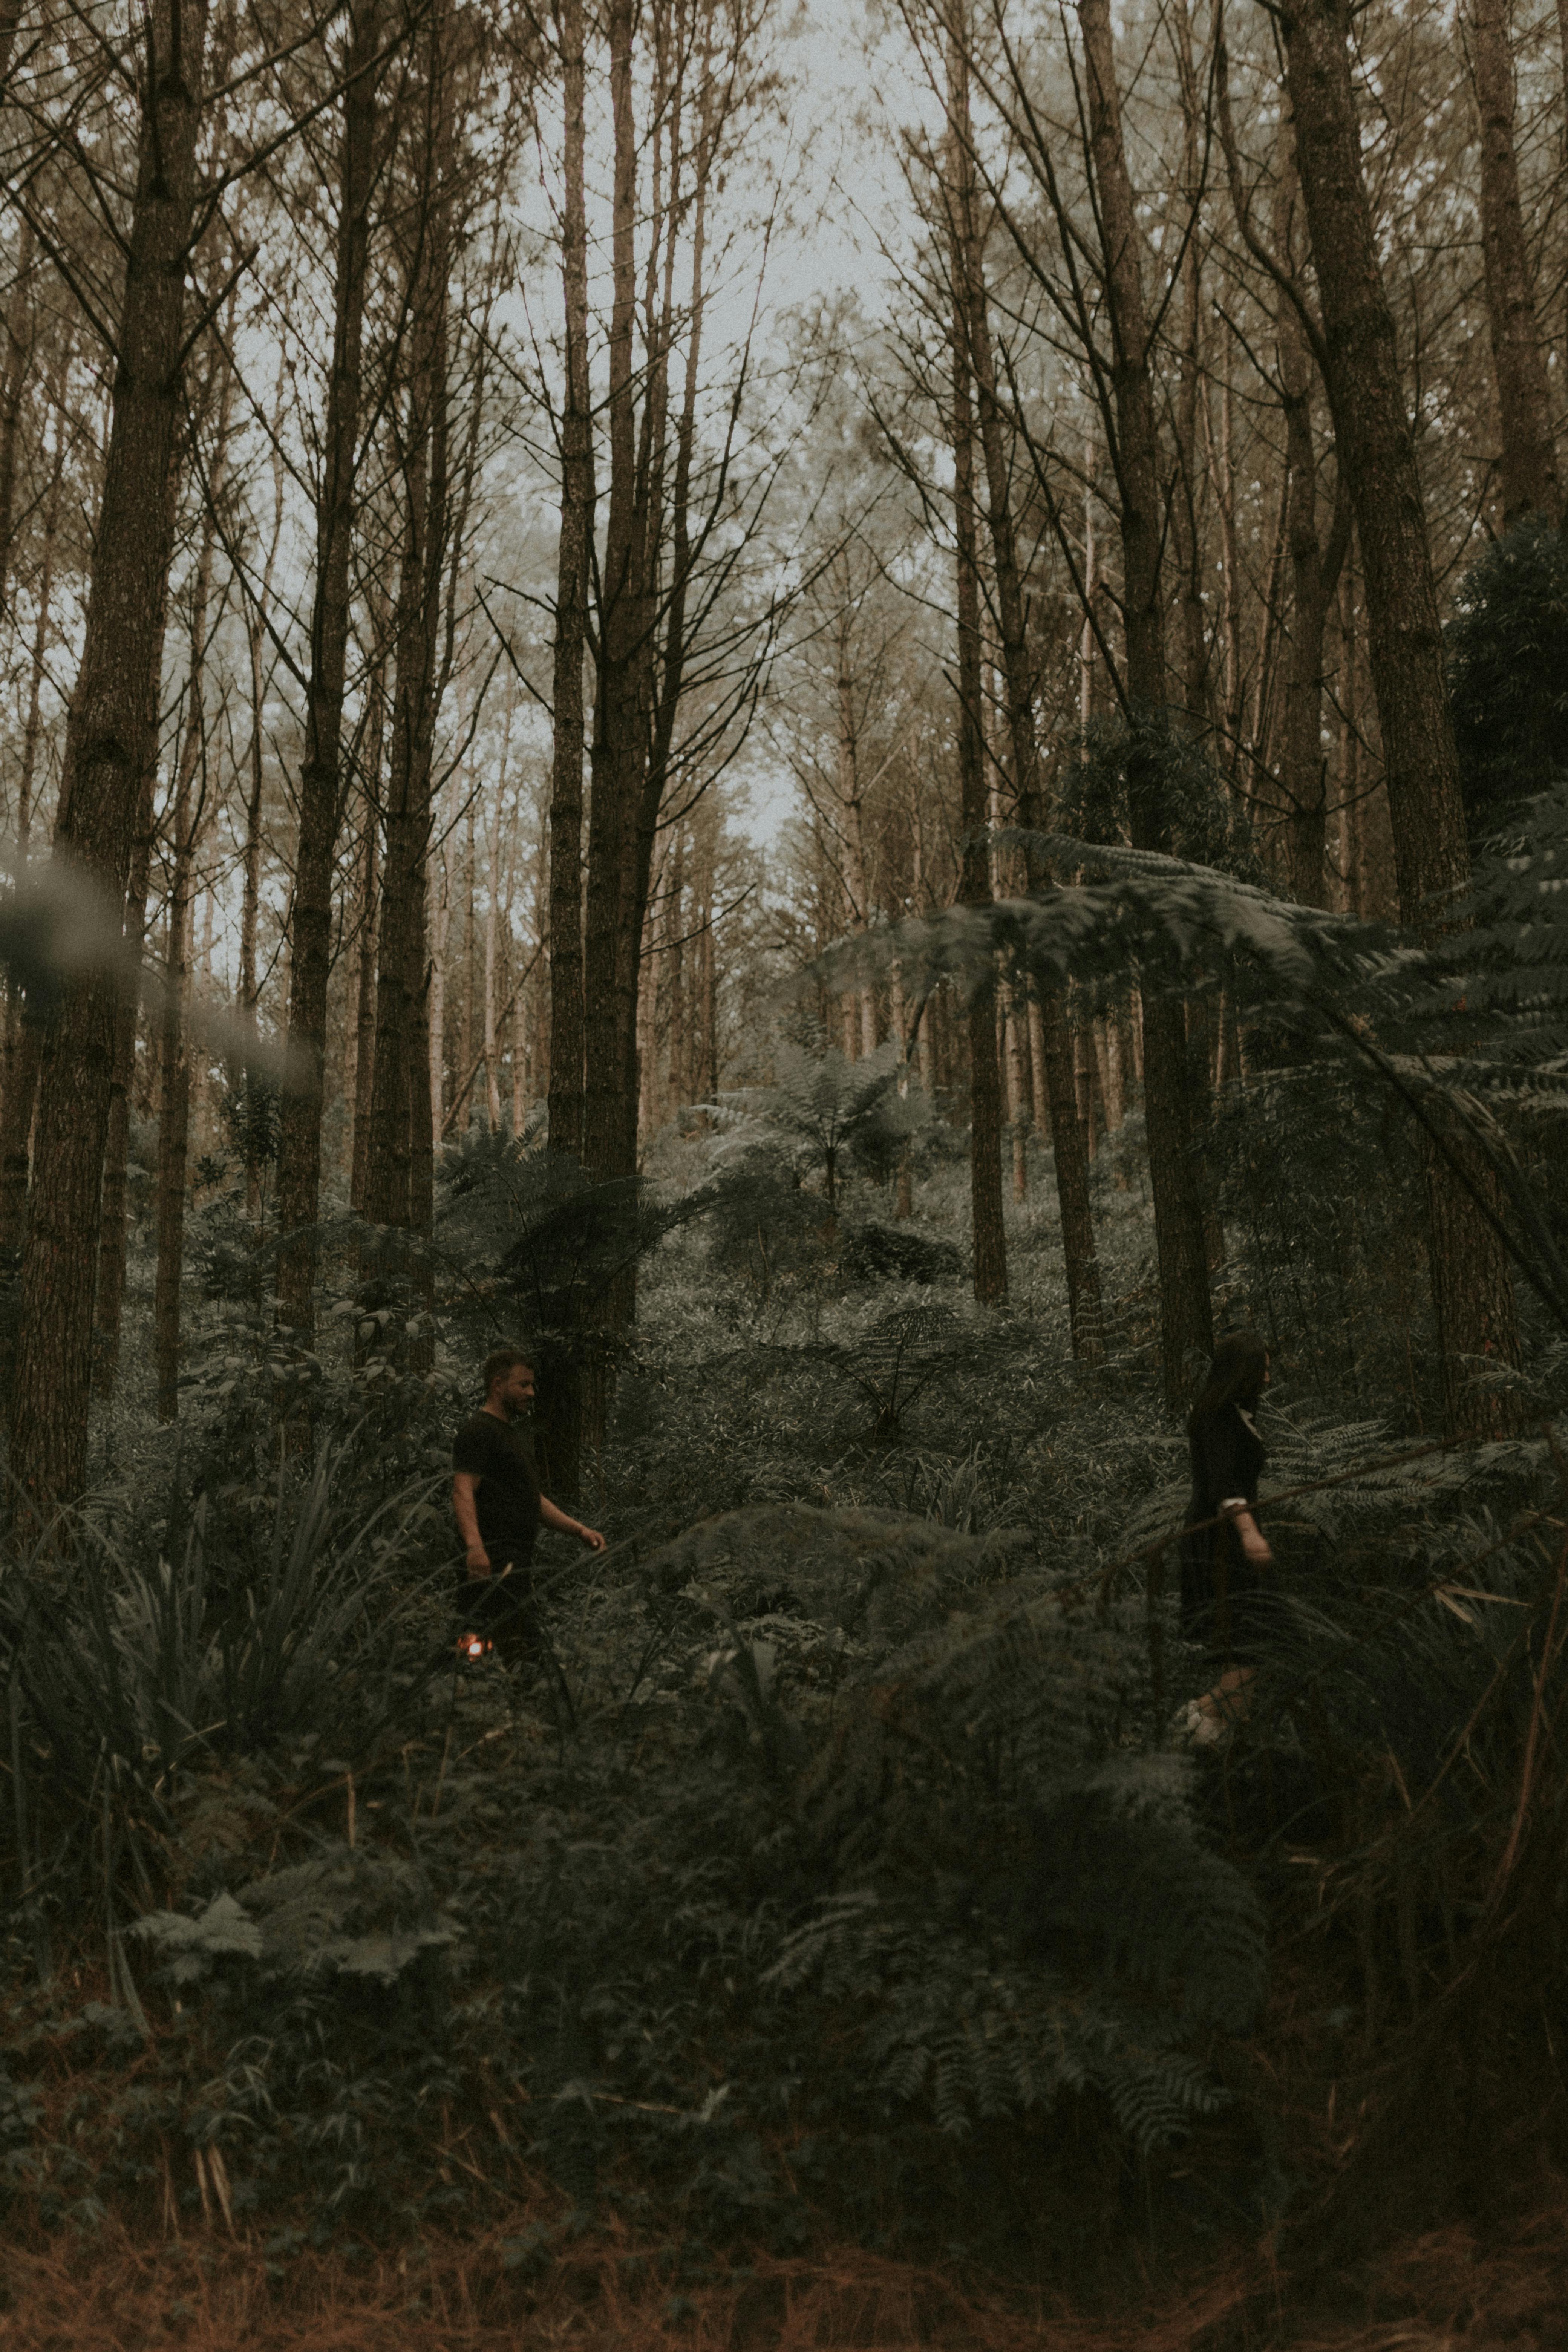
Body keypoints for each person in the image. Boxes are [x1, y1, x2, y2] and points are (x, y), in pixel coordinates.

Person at [451, 1348, 605, 1683]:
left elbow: (532, 1500)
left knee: (511, 1647)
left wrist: (579, 1530)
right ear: (498, 1385)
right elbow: (463, 1490)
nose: (532, 1393)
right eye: (523, 1385)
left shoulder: (511, 1435)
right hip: (491, 1562)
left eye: (532, 1385)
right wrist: (475, 1549)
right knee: (487, 1647)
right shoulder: (478, 1432)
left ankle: (506, 1699)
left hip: (516, 1563)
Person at [1176, 1328, 1272, 1745]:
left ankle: (1214, 1736)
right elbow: (1225, 1485)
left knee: (1252, 1644)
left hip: (1231, 1540)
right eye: (1262, 1370)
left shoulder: (1233, 1414)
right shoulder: (1217, 1419)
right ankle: (1193, 1729)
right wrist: (1250, 1534)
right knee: (1250, 1645)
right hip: (1219, 1542)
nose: (1267, 1378)